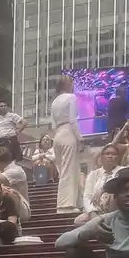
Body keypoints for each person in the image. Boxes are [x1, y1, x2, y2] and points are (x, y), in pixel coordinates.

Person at [51, 74, 82, 214]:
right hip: (68, 132)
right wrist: (79, 137)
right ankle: (66, 205)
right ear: (67, 85)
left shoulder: (54, 101)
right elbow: (73, 120)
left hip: (57, 134)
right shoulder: (71, 97)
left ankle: (77, 202)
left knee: (65, 170)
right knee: (69, 169)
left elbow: (52, 124)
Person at [76, 143, 121, 224]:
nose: (110, 156)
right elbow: (87, 196)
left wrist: (103, 189)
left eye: (113, 154)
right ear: (102, 157)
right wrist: (92, 212)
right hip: (97, 210)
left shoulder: (123, 171)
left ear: (118, 157)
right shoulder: (93, 174)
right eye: (107, 154)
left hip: (116, 209)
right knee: (79, 221)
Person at [0, 145, 30, 215]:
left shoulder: (16, 170)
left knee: (8, 192)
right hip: (7, 208)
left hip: (22, 210)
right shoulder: (2, 170)